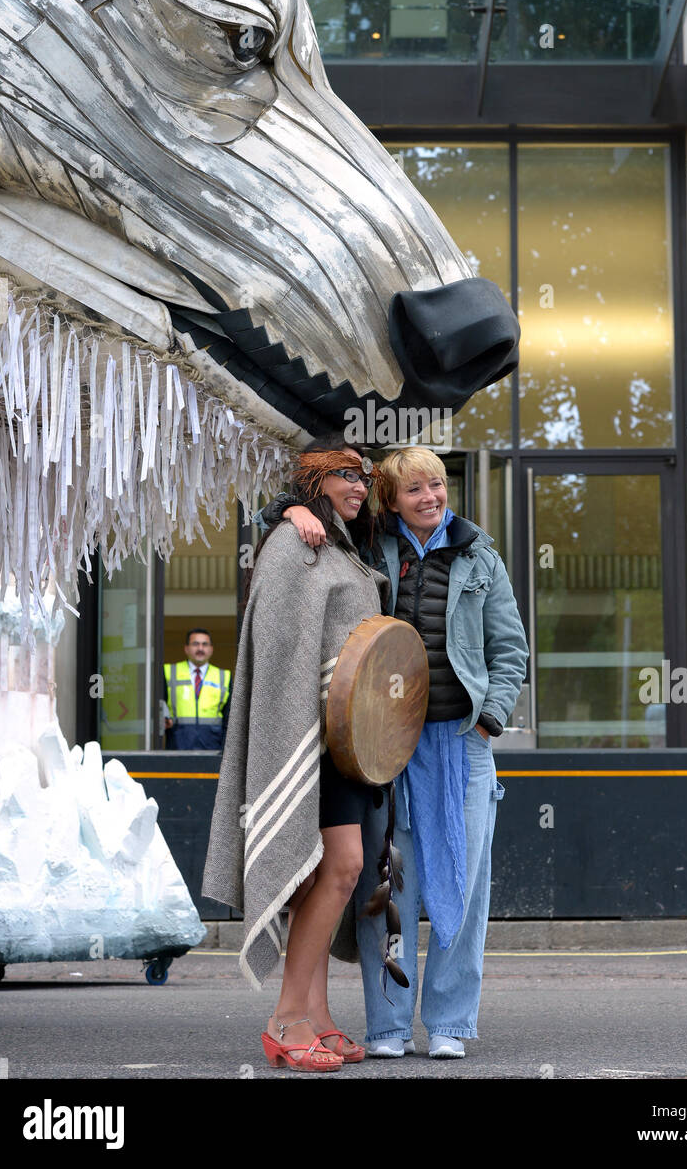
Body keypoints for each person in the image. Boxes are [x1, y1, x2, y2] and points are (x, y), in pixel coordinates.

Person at [260, 446, 529, 1059]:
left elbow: (511, 650)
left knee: (464, 890)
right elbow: (297, 508)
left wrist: (489, 719)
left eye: (437, 485)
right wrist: (288, 512)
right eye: (415, 490)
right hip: (386, 744)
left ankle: (452, 1024)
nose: (431, 497)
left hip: (462, 744)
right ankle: (387, 1026)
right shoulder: (368, 543)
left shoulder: (480, 554)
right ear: (391, 499)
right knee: (387, 888)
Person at [202, 438, 392, 1072]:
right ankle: (285, 1018)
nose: (359, 486)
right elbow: (281, 656)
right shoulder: (295, 544)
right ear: (314, 480)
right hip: (308, 740)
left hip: (349, 742)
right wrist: (286, 509)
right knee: (341, 866)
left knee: (320, 874)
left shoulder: (341, 544)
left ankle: (317, 1016)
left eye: (363, 477)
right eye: (344, 476)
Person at [163, 629, 231, 750]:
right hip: (178, 745)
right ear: (186, 648)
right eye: (195, 644)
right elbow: (159, 705)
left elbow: (229, 718)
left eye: (205, 644)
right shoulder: (169, 671)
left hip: (213, 747)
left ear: (211, 649)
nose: (200, 648)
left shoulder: (224, 676)